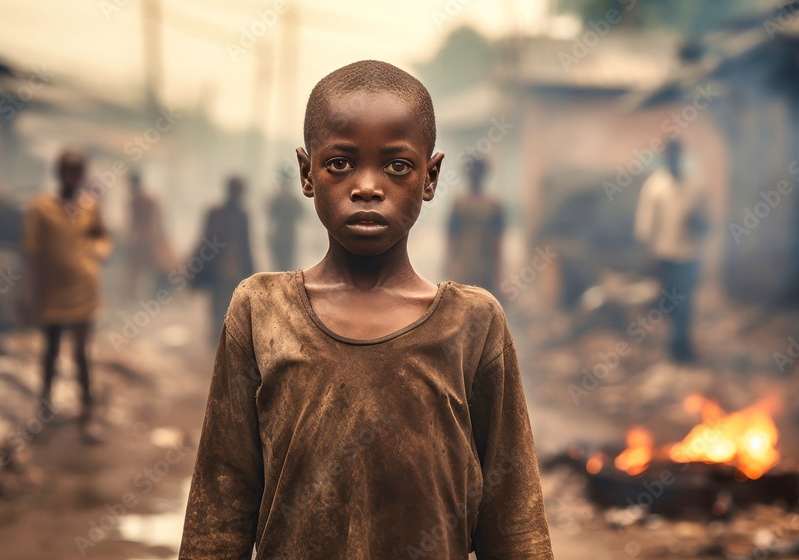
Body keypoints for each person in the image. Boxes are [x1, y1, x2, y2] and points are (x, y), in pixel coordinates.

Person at [179, 60, 553, 559]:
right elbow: (219, 508)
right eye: (340, 163)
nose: (368, 186)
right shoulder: (262, 311)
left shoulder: (473, 324)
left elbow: (513, 523)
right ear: (307, 173)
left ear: (431, 176)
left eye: (397, 166)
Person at [20, 149, 112, 443]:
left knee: (81, 354)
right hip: (52, 290)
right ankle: (43, 411)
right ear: (58, 173)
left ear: (82, 174)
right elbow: (32, 251)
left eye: (76, 170)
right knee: (50, 352)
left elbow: (102, 236)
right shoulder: (41, 207)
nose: (71, 176)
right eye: (66, 170)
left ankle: (87, 415)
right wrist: (26, 289)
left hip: (84, 288)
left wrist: (96, 254)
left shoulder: (90, 206)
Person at [634, 139, 709, 362]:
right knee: (669, 304)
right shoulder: (654, 187)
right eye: (669, 156)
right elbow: (645, 227)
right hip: (664, 256)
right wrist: (650, 258)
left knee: (686, 303)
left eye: (676, 155)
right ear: (664, 159)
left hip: (689, 256)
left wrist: (698, 224)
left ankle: (682, 346)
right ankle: (672, 347)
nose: (673, 160)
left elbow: (706, 225)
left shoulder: (697, 185)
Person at [196, 176, 254, 344]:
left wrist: (249, 269)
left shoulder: (242, 215)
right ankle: (217, 339)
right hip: (218, 267)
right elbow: (206, 239)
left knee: (231, 305)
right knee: (217, 304)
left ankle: (223, 339)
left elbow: (246, 244)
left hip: (235, 267)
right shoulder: (216, 213)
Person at [445, 156, 505, 295]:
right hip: (463, 267)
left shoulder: (493, 206)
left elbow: (498, 240)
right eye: (472, 172)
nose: (475, 176)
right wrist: (450, 264)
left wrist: (498, 271)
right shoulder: (459, 204)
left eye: (477, 172)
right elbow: (451, 236)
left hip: (486, 268)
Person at [126, 171, 175, 299]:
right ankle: (141, 294)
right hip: (149, 237)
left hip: (143, 238)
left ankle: (140, 294)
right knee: (145, 268)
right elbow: (157, 220)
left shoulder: (139, 201)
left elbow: (135, 223)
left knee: (142, 268)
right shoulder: (145, 199)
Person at [267, 169, 303, 271]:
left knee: (282, 265)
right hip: (285, 235)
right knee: (285, 265)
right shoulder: (291, 200)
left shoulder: (277, 199)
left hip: (282, 235)